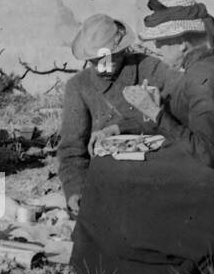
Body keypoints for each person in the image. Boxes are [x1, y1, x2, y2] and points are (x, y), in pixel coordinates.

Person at [70, 0, 214, 274]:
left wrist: (155, 115)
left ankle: (122, 260)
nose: (159, 50)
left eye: (162, 44)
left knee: (111, 173)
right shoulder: (204, 65)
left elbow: (204, 150)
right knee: (118, 167)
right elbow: (178, 115)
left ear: (181, 43)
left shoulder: (205, 77)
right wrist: (123, 128)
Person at [55, 13, 178, 217]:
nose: (104, 65)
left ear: (123, 50)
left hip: (158, 175)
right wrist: (76, 190)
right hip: (108, 182)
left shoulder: (151, 68)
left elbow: (182, 111)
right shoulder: (79, 86)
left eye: (110, 58)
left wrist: (126, 126)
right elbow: (72, 151)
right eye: (97, 60)